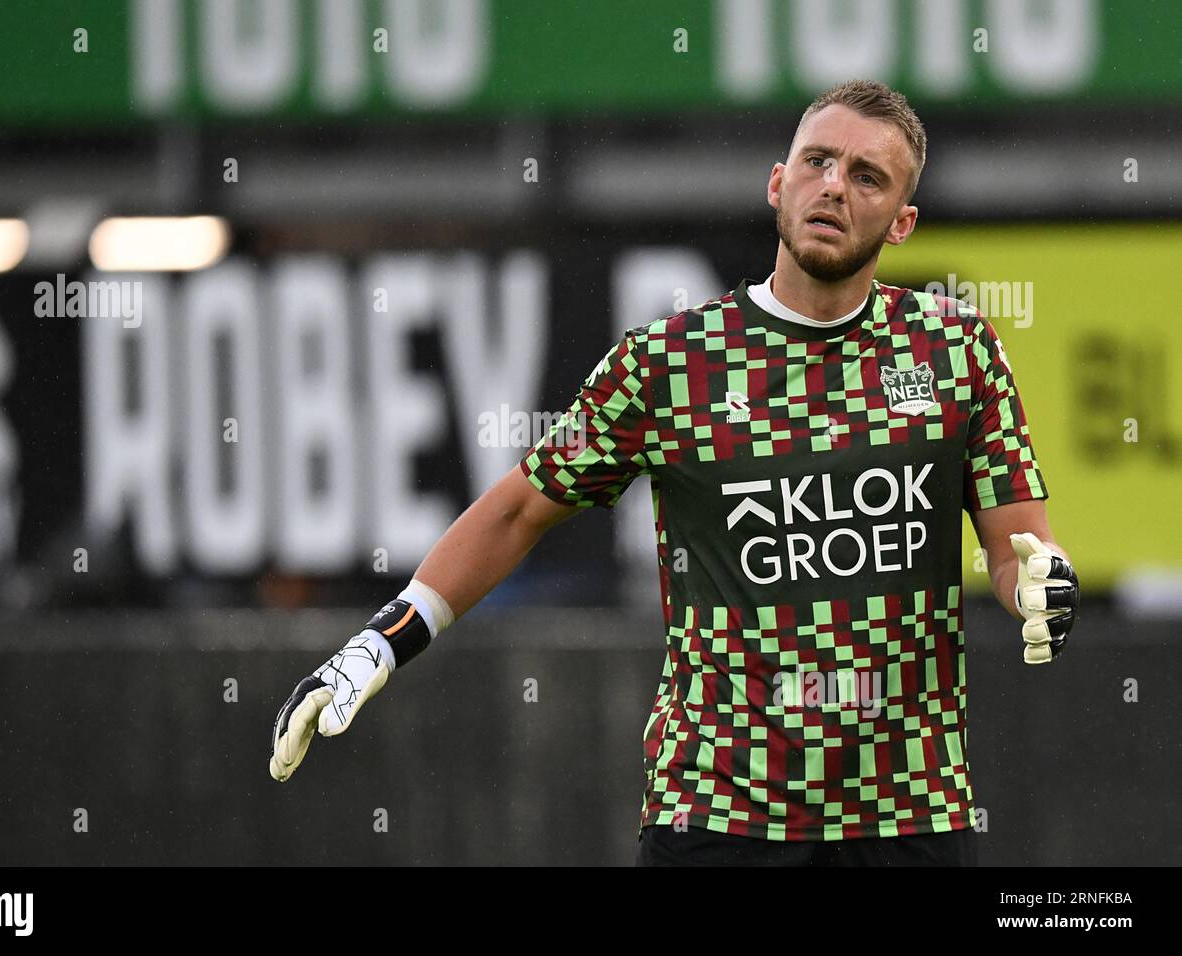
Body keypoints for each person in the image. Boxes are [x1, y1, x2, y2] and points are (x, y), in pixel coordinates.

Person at [268, 79, 1080, 867]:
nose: (834, 187)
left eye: (867, 177)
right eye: (817, 162)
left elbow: (1018, 550)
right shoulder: (671, 364)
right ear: (777, 182)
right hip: (720, 811)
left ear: (901, 221)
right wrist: (377, 647)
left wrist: (1042, 587)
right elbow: (518, 512)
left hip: (913, 807)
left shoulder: (955, 348)